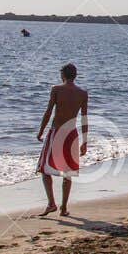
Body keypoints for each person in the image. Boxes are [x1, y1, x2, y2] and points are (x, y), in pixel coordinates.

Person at [36, 62, 89, 217]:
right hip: (71, 134)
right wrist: (85, 141)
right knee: (68, 172)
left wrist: (40, 131)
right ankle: (64, 207)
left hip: (56, 132)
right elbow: (85, 119)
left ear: (63, 75)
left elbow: (48, 112)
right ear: (75, 75)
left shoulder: (56, 89)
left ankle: (51, 203)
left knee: (44, 169)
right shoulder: (82, 93)